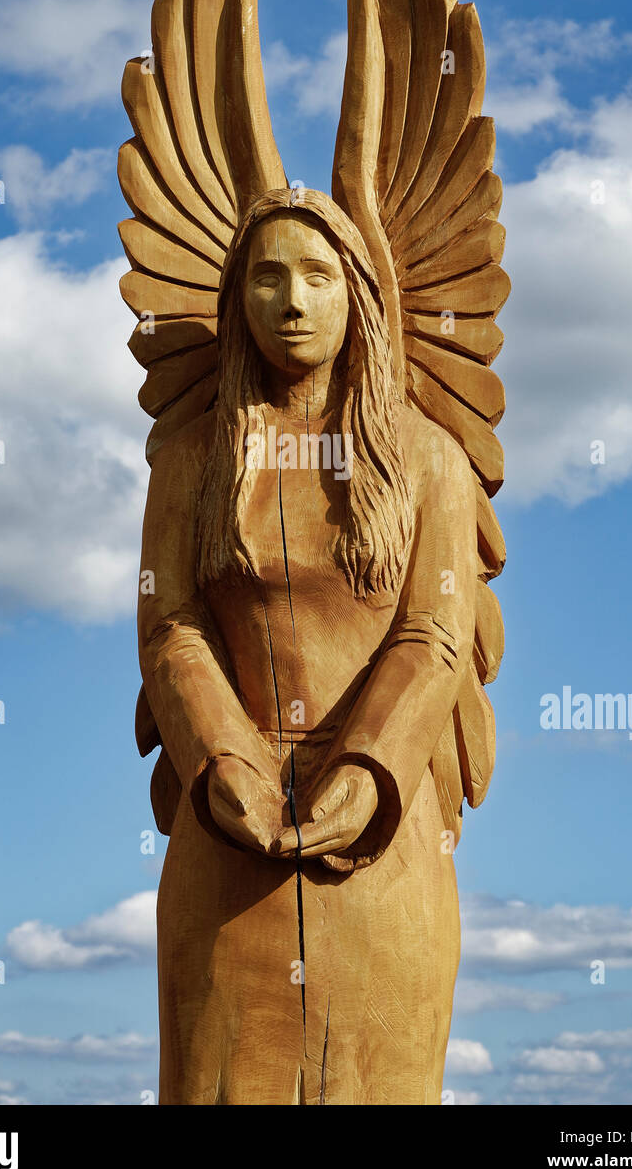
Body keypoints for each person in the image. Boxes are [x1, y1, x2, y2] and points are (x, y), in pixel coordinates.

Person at [138, 187, 476, 1104]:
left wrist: (368, 770)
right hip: (229, 835)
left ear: (356, 295)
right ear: (236, 299)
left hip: (381, 840)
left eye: (319, 276)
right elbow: (169, 625)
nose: (293, 301)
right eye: (268, 276)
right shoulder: (193, 463)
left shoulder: (425, 459)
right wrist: (221, 760)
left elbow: (435, 632)